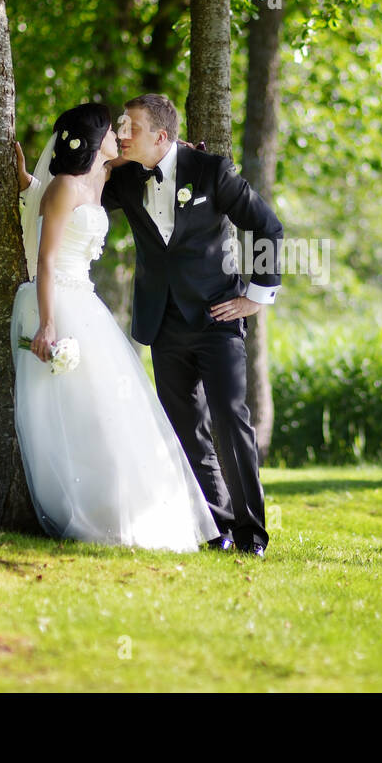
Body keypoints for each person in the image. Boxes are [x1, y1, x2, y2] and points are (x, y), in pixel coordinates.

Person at [9, 102, 217, 552]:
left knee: (112, 407)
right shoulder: (65, 186)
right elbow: (44, 260)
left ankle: (126, 505)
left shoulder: (100, 175)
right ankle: (91, 507)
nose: (119, 135)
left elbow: (139, 152)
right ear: (92, 139)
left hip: (86, 302)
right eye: (111, 130)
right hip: (58, 301)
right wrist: (47, 324)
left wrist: (174, 147)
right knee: (81, 410)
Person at [100, 94, 283, 557]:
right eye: (121, 125)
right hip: (162, 323)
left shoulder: (212, 171)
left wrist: (256, 297)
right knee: (187, 430)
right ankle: (215, 528)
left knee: (230, 419)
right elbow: (76, 196)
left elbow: (267, 227)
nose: (123, 132)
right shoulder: (121, 180)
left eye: (132, 127)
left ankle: (252, 535)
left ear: (162, 137)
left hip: (217, 317)